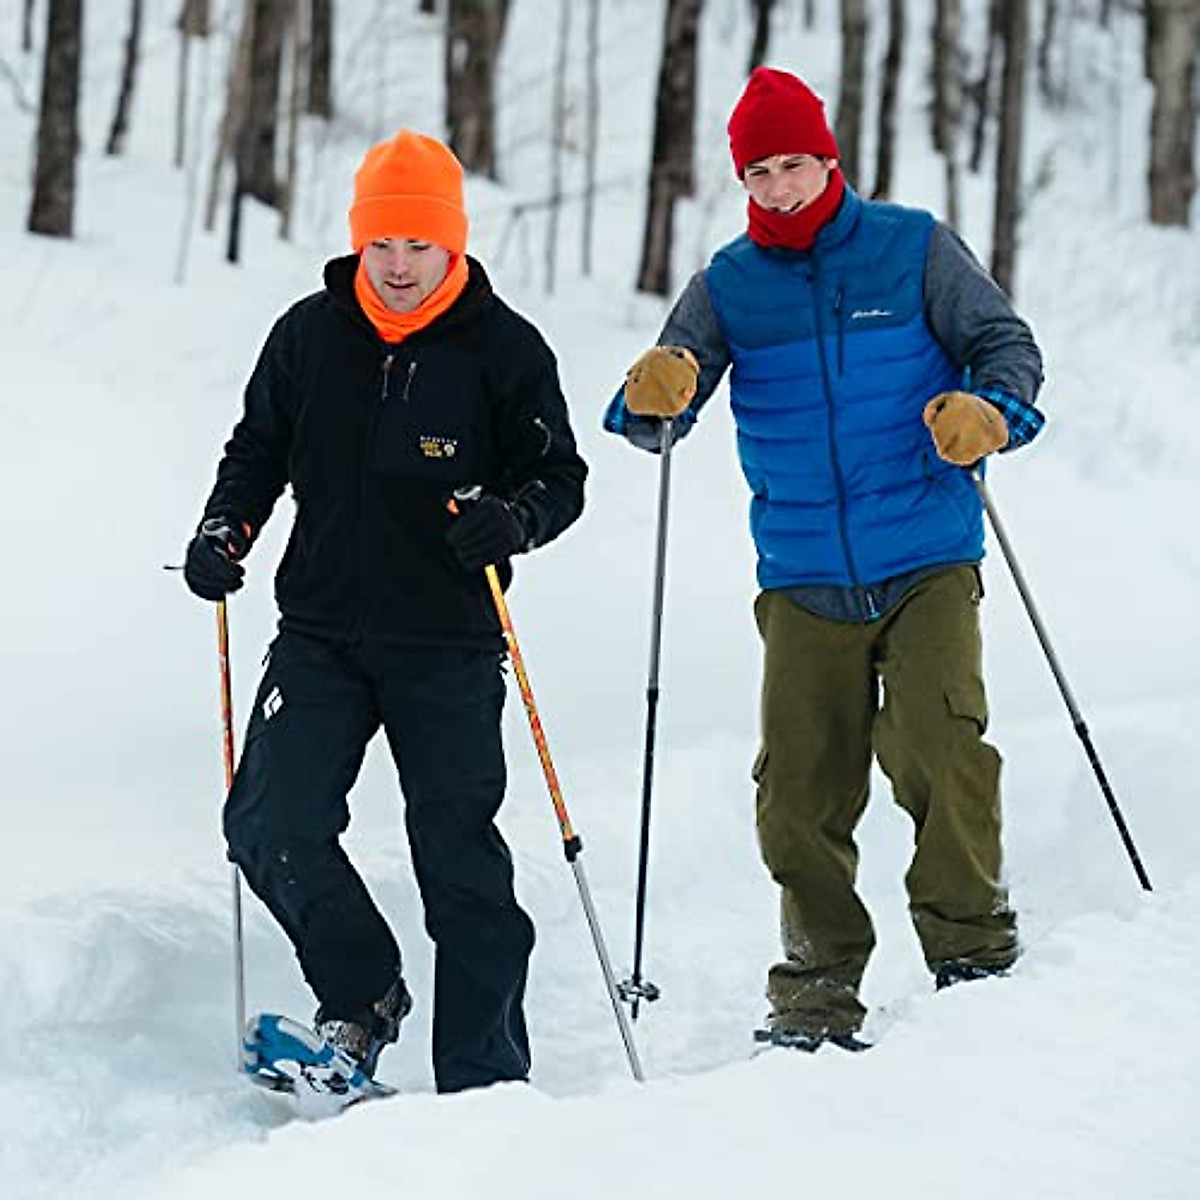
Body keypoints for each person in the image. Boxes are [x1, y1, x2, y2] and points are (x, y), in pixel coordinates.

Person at [604, 68, 1045, 1052]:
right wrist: (654, 391)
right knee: (799, 789)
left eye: (792, 165)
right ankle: (814, 989)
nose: (777, 188)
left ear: (827, 158)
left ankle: (972, 954)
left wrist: (991, 415)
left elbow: (1004, 345)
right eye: (757, 172)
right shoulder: (727, 284)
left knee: (940, 747)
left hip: (927, 548)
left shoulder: (912, 249)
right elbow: (651, 413)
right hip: (802, 569)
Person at [184, 129, 587, 1093]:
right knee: (268, 821)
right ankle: (362, 1001)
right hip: (321, 631)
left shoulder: (503, 348)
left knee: (459, 861)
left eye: (420, 246)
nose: (400, 266)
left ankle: (485, 1081)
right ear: (358, 243)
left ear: (453, 247)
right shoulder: (309, 334)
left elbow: (557, 476)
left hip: (447, 642)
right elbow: (257, 452)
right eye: (383, 245)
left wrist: (514, 519)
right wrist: (222, 531)